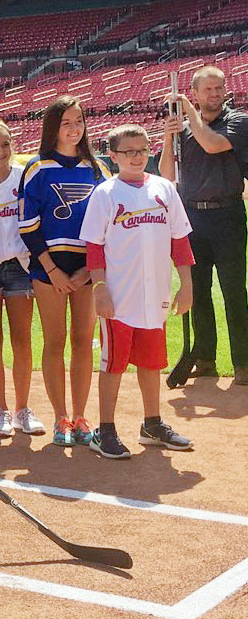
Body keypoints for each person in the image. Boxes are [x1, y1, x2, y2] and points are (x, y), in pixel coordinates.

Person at [81, 125, 195, 459]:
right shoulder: (105, 193)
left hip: (155, 295)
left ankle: (152, 423)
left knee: (151, 362)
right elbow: (94, 247)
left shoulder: (164, 189)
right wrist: (100, 288)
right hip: (119, 296)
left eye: (143, 149)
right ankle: (105, 431)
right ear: (113, 156)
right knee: (113, 364)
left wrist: (185, 285)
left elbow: (180, 240)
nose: (137, 156)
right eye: (128, 151)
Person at [19, 95, 110, 450]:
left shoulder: (97, 168)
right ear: (52, 127)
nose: (74, 129)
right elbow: (28, 225)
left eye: (79, 121)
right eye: (66, 123)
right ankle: (60, 417)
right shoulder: (37, 168)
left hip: (89, 270)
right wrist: (52, 270)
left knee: (83, 343)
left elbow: (108, 223)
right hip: (49, 270)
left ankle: (82, 416)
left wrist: (89, 269)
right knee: (55, 342)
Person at [158, 66, 248, 384]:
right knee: (197, 291)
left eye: (219, 88)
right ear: (196, 93)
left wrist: (187, 114)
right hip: (192, 217)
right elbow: (166, 174)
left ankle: (243, 363)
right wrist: (170, 137)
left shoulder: (238, 121)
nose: (214, 94)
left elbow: (211, 144)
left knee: (234, 291)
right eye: (207, 89)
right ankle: (204, 358)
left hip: (228, 216)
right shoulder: (182, 129)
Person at [0, 120, 44, 439]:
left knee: (22, 339)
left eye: (6, 144)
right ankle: (0, 411)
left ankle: (22, 409)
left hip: (20, 265)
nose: (1, 151)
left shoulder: (25, 177)